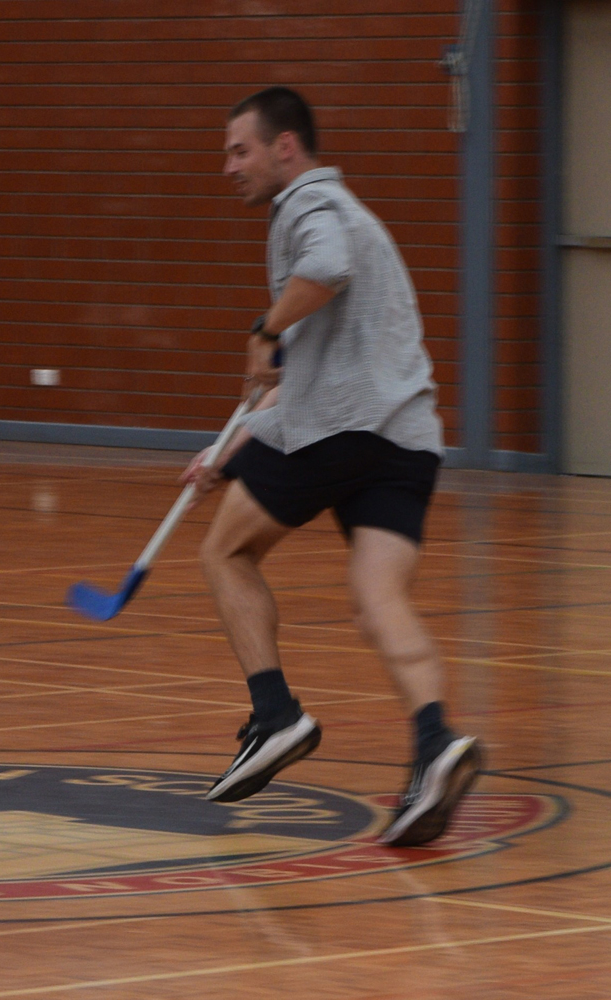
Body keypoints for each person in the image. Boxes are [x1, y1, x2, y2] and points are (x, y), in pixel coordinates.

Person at [182, 87, 480, 847]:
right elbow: (307, 388)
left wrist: (265, 325)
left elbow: (328, 267)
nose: (228, 167)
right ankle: (435, 744)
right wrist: (229, 448)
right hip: (403, 439)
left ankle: (275, 716)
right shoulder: (356, 214)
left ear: (286, 149)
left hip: (342, 430)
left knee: (225, 551)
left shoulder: (309, 207)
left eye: (239, 150)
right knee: (377, 598)